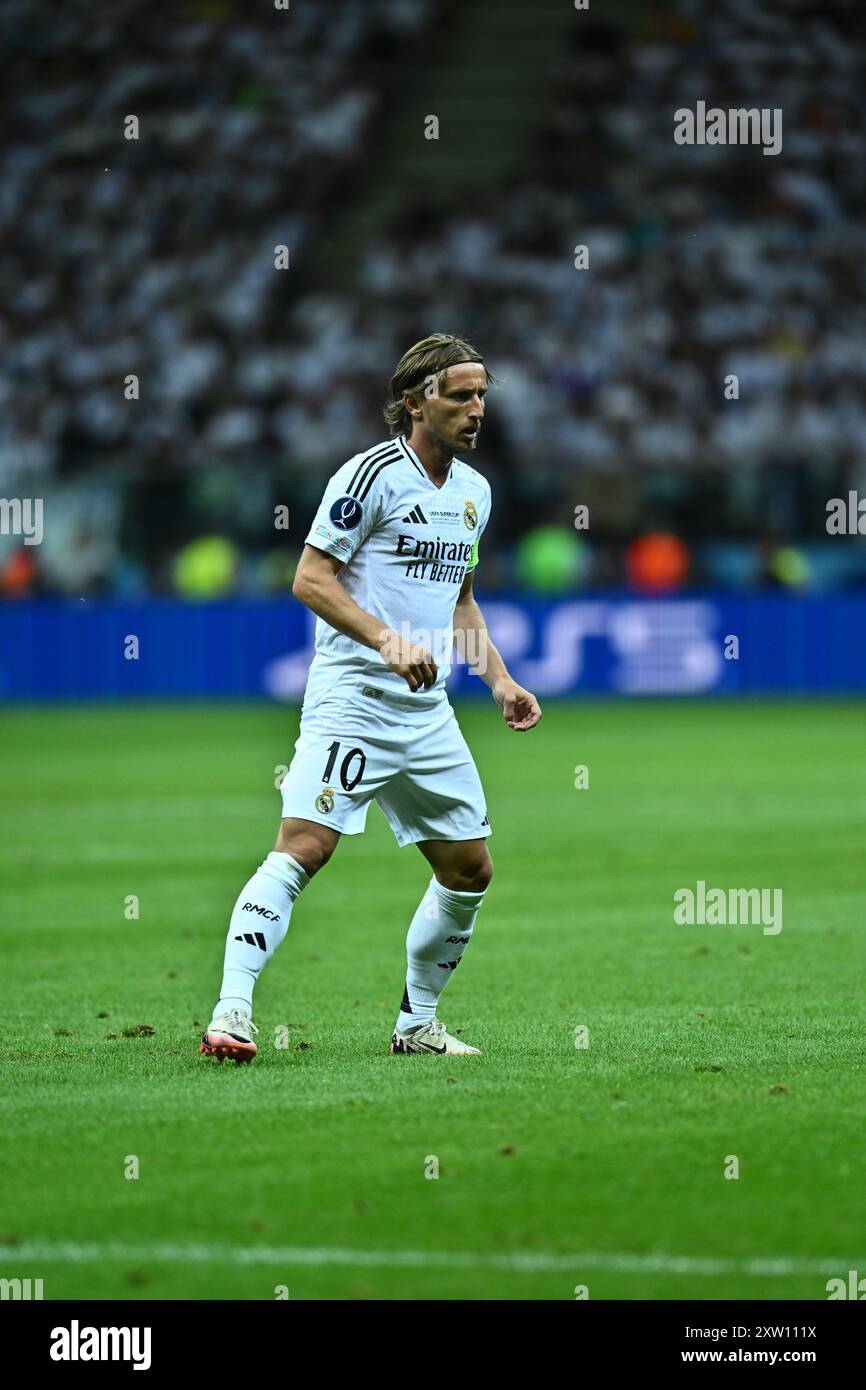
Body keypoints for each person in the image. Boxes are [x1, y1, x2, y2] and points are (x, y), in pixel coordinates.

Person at [199, 333, 542, 1062]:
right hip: (354, 701)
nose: (476, 409)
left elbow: (462, 603)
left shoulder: (474, 493)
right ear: (416, 402)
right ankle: (232, 1011)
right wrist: (386, 640)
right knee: (305, 848)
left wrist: (499, 678)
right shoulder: (370, 476)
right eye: (460, 395)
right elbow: (311, 578)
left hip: (428, 712)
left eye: (482, 394)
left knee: (470, 868)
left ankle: (416, 1023)